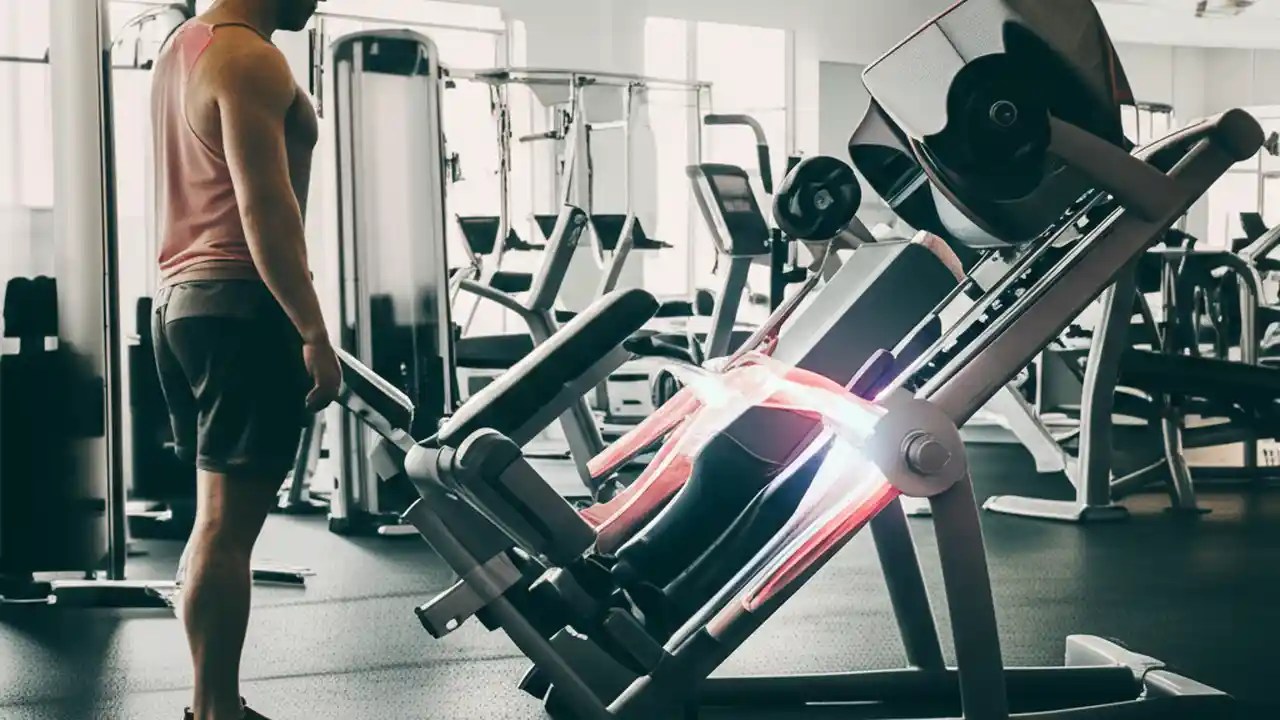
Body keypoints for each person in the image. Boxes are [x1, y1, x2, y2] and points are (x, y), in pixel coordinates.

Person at [149, 1, 336, 718]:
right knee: (228, 532)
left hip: (179, 302)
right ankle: (217, 708)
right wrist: (312, 330)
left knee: (213, 524)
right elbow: (265, 210)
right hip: (242, 305)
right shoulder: (250, 59)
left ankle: (210, 704)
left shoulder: (182, 50)